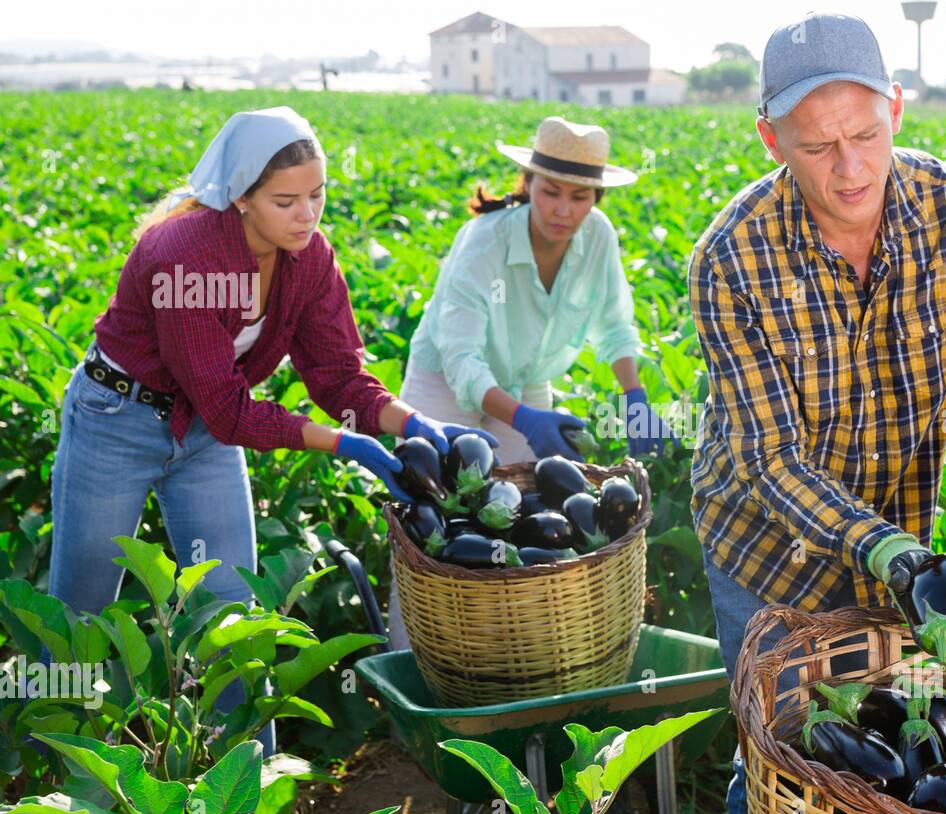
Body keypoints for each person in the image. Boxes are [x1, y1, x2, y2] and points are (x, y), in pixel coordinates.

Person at [688, 13, 946, 814]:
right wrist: (888, 552)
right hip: (766, 549)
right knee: (783, 755)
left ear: (897, 109)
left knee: (884, 751)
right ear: (770, 140)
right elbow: (769, 457)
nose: (850, 166)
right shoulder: (732, 254)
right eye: (816, 146)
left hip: (902, 531)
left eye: (866, 134)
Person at [47, 106, 494, 755]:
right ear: (242, 196)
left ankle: (240, 792)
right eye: (286, 201)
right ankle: (67, 779)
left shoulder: (308, 260)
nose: (306, 215)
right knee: (81, 611)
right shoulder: (186, 256)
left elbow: (339, 377)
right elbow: (231, 410)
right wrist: (346, 442)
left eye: (316, 196)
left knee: (234, 612)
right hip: (117, 419)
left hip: (204, 434)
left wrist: (414, 422)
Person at [388, 115, 674, 650]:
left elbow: (615, 326)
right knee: (427, 532)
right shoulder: (484, 242)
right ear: (528, 186)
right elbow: (462, 358)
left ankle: (506, 661)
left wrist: (635, 396)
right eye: (551, 192)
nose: (564, 210)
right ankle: (414, 661)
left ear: (596, 199)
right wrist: (522, 417)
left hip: (527, 384)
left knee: (520, 521)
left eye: (580, 196)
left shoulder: (598, 240)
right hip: (443, 385)